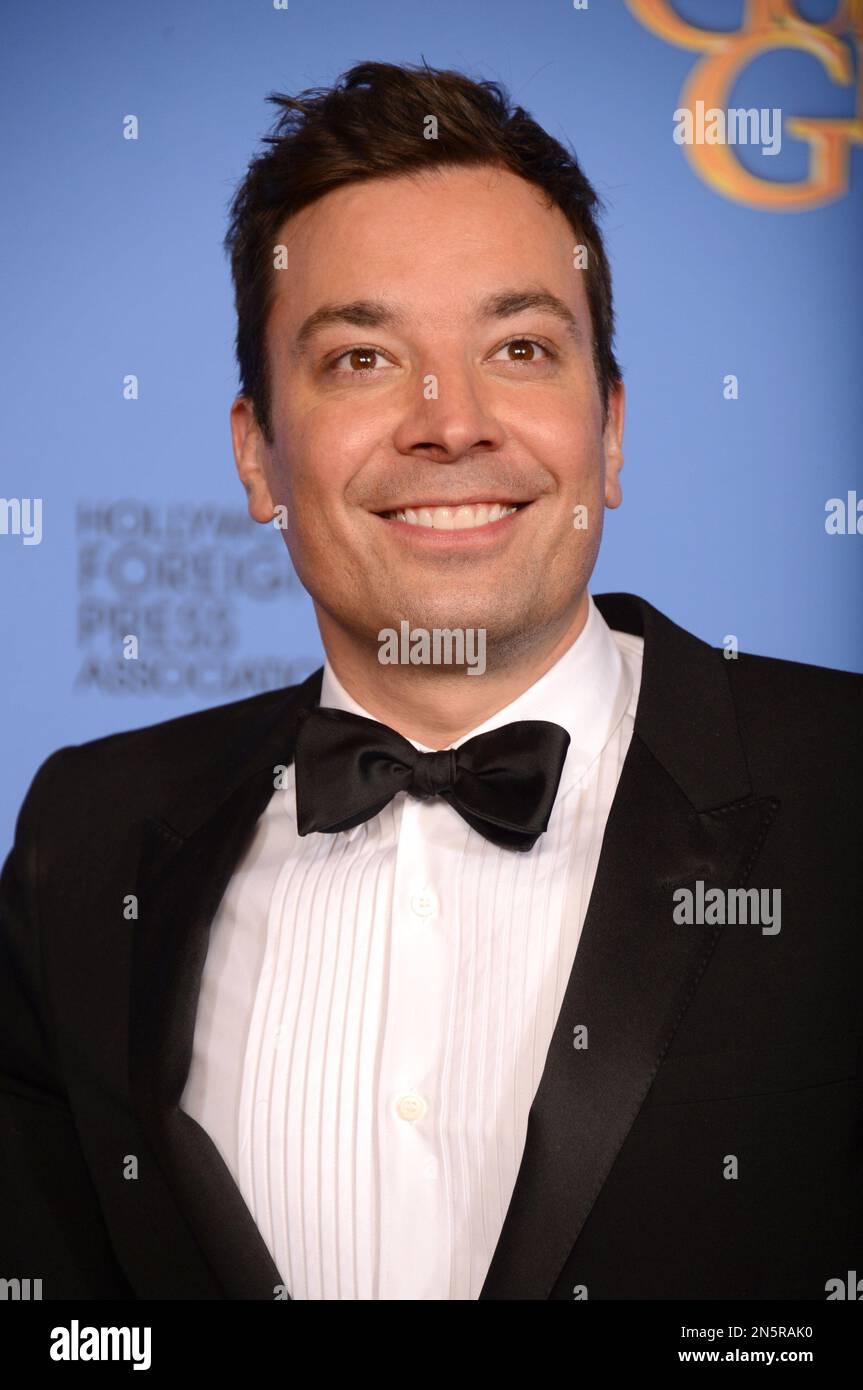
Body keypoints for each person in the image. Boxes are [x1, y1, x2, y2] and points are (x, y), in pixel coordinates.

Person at [1, 61, 860, 1302]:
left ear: (608, 432)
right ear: (258, 457)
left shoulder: (842, 786)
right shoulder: (82, 841)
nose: (449, 421)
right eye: (359, 359)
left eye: (517, 347)